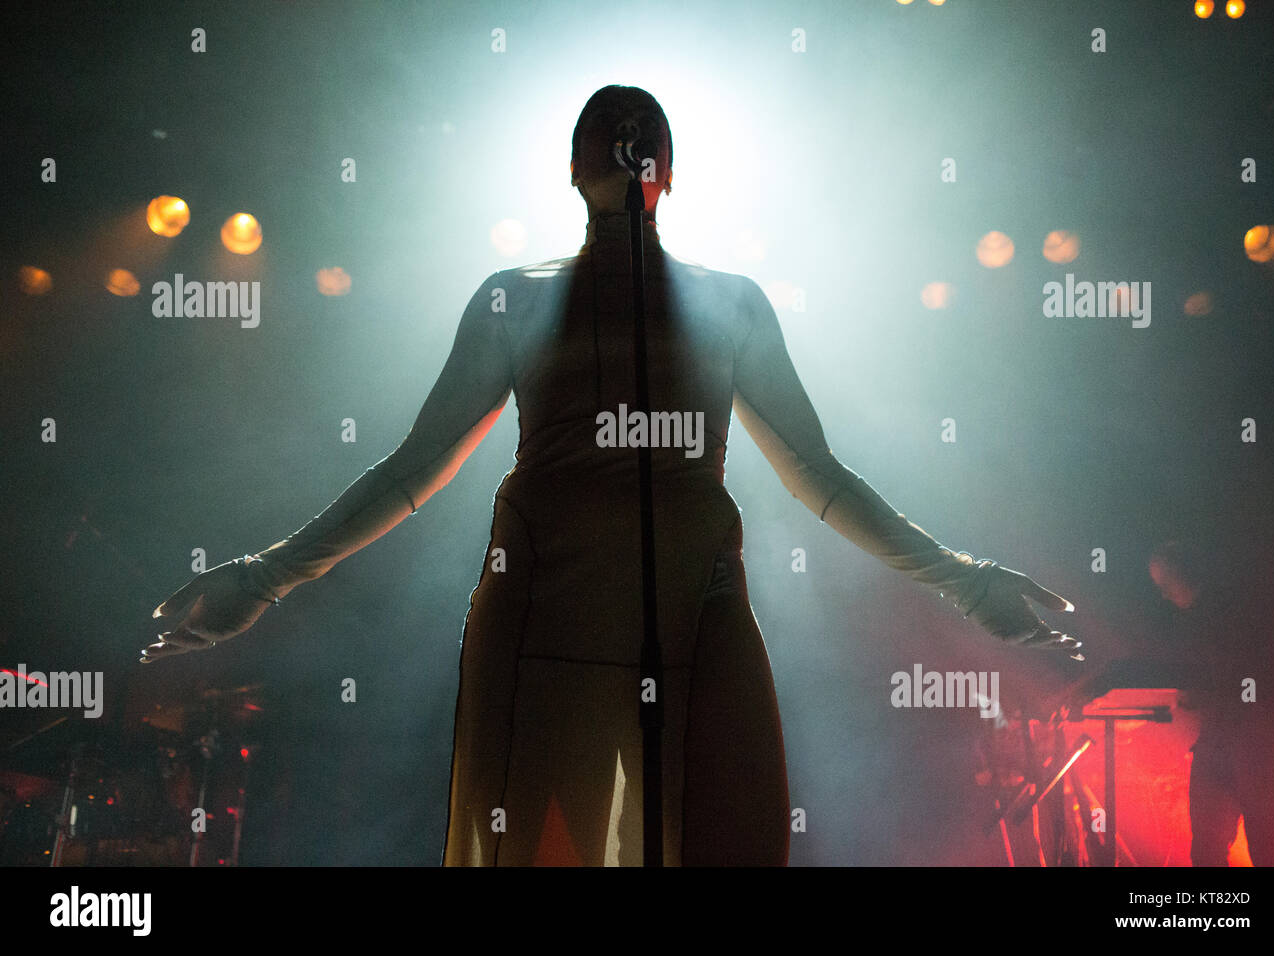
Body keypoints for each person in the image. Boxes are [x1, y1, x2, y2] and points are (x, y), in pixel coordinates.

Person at [145, 85, 1081, 866]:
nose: (629, 146)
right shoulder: (518, 299)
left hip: (696, 613)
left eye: (646, 137)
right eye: (610, 131)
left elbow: (819, 478)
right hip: (543, 617)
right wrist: (263, 578)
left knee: (735, 831)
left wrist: (967, 585)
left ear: (667, 172)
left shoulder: (732, 306)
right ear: (572, 167)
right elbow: (412, 472)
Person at [1148, 539, 1274, 866]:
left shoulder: (1220, 615)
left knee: (1238, 849)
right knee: (1255, 849)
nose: (1164, 593)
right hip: (1237, 744)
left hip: (1251, 746)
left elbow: (1235, 677)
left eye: (1165, 583)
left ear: (1184, 573)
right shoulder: (1227, 610)